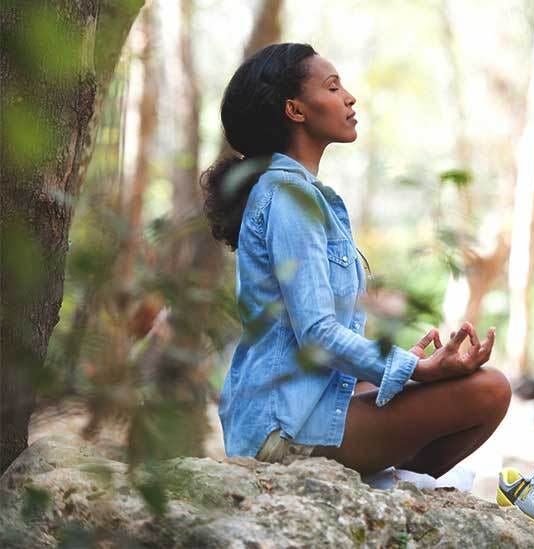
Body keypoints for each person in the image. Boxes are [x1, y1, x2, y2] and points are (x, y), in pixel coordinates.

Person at [201, 42, 511, 478]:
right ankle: (400, 486)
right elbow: (316, 334)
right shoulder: (288, 197)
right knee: (490, 390)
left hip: (300, 405)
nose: (349, 98)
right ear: (295, 109)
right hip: (282, 428)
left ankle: (393, 484)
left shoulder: (300, 194)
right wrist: (416, 370)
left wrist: (403, 367)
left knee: (427, 382)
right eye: (332, 87)